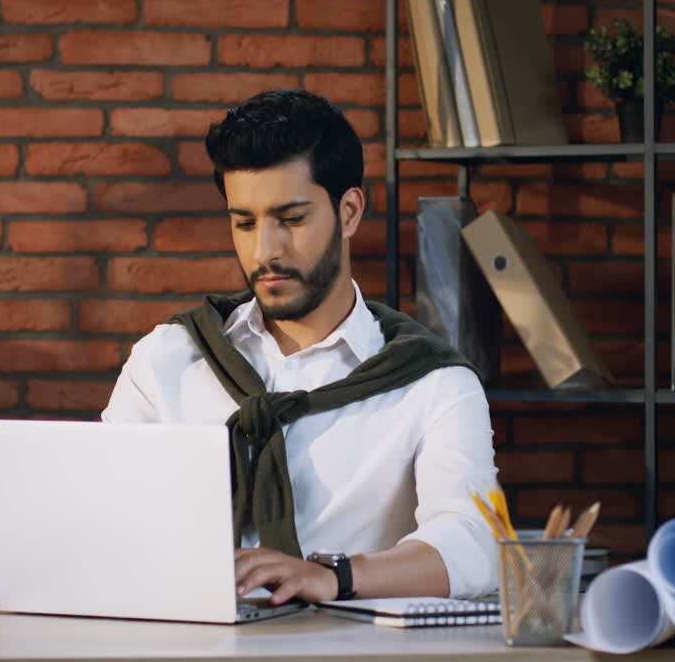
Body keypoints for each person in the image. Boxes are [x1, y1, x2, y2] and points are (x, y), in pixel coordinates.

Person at [101, 89, 497, 604]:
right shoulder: (167, 360)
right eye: (244, 223)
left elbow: (477, 546)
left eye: (291, 220)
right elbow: (102, 519)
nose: (265, 251)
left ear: (349, 211)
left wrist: (335, 576)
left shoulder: (433, 382)